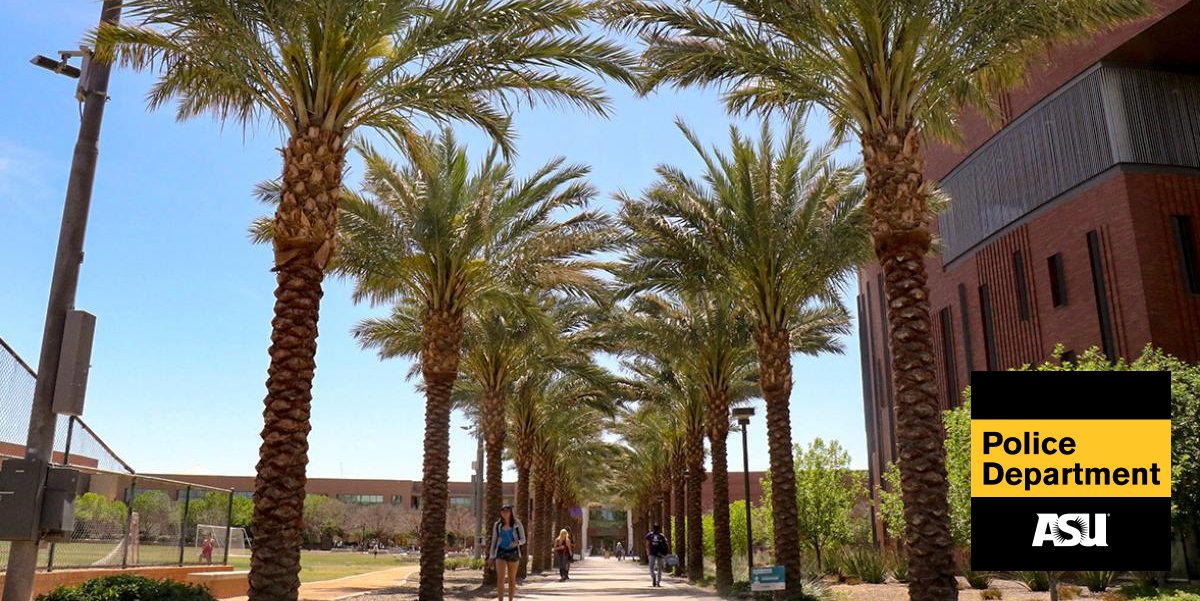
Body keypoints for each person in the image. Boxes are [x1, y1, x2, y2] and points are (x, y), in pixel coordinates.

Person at [488, 505, 527, 601]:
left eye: (507, 511)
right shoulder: (497, 525)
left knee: (511, 579)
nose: (504, 513)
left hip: (513, 552)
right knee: (500, 579)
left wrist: (516, 543)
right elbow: (494, 540)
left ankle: (510, 599)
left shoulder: (517, 524)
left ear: (510, 513)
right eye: (502, 511)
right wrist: (491, 556)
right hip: (501, 551)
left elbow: (523, 539)